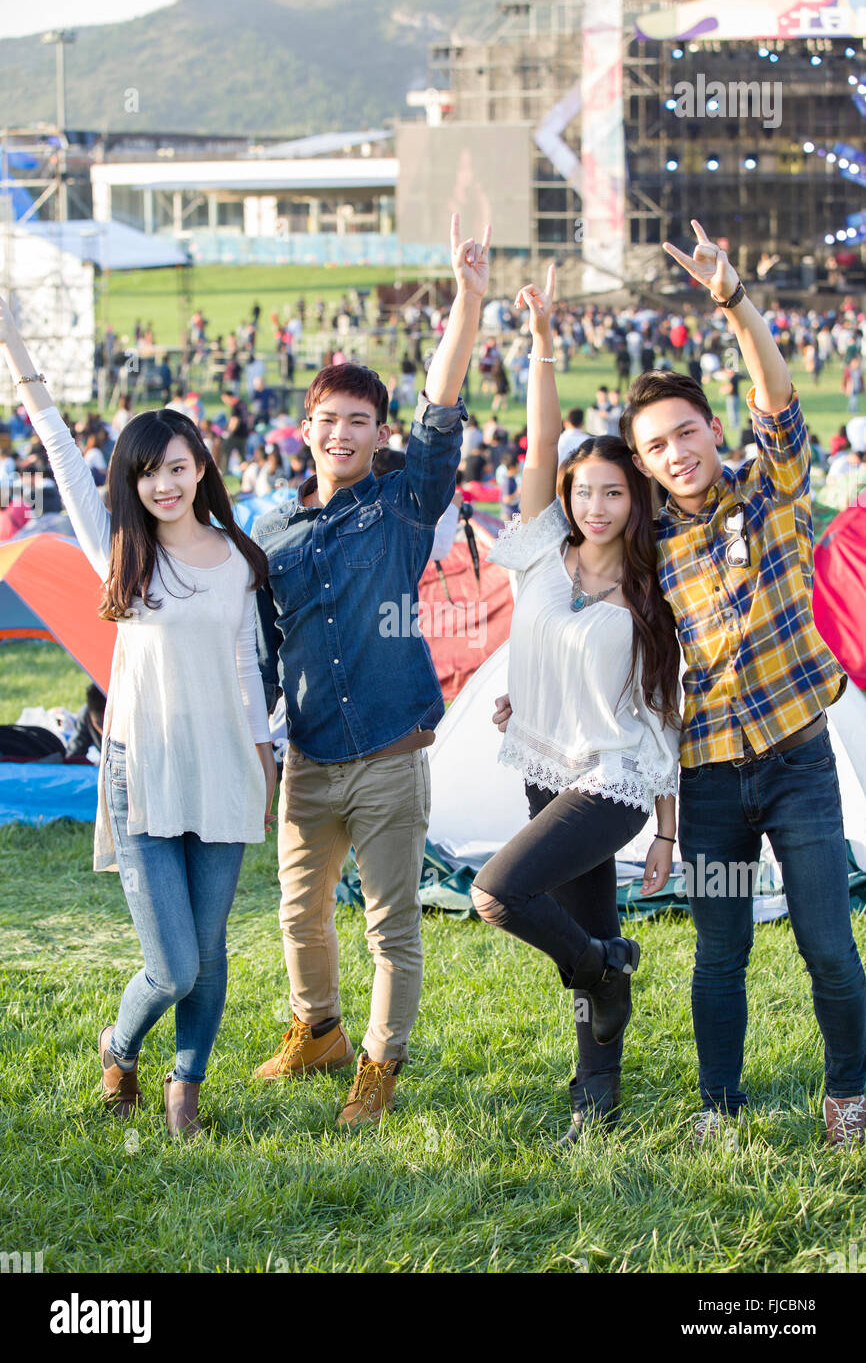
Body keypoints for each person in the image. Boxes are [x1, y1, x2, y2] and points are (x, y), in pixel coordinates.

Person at [0, 294, 278, 1141]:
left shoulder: (236, 556)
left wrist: (265, 761)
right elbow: (57, 449)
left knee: (213, 948)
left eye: (179, 466)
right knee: (174, 963)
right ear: (133, 478)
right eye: (148, 469)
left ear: (202, 468)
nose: (164, 482)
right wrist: (16, 351)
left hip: (226, 763)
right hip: (139, 767)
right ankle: (119, 1045)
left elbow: (245, 667)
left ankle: (184, 1086)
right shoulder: (118, 544)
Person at [625, 218, 866, 1149]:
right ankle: (718, 1108)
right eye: (657, 446)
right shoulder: (649, 548)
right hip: (713, 780)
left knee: (827, 945)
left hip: (798, 764)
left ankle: (849, 1089)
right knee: (720, 953)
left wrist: (731, 300)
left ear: (711, 430)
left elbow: (779, 400)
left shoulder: (771, 489)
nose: (678, 453)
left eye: (687, 433)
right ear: (644, 463)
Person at [251, 214, 490, 1132]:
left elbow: (441, 414)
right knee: (298, 915)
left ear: (376, 431)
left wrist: (466, 300)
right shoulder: (273, 531)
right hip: (310, 755)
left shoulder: (402, 503)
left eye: (360, 420)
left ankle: (380, 1068)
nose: (343, 432)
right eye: (329, 419)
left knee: (392, 926)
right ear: (304, 430)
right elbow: (255, 642)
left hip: (391, 746)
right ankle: (319, 1031)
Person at [471, 266, 681, 1144]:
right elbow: (537, 442)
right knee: (586, 931)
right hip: (540, 759)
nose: (595, 504)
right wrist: (544, 344)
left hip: (616, 780)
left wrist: (667, 829)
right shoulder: (541, 554)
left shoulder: (652, 586)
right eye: (583, 490)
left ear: (636, 501)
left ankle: (608, 967)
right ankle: (596, 1099)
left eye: (614, 492)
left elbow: (665, 713)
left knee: (498, 893)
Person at [64, 683, 107, 762]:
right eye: (99, 724)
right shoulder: (86, 715)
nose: (105, 730)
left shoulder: (132, 720)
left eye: (110, 724)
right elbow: (74, 755)